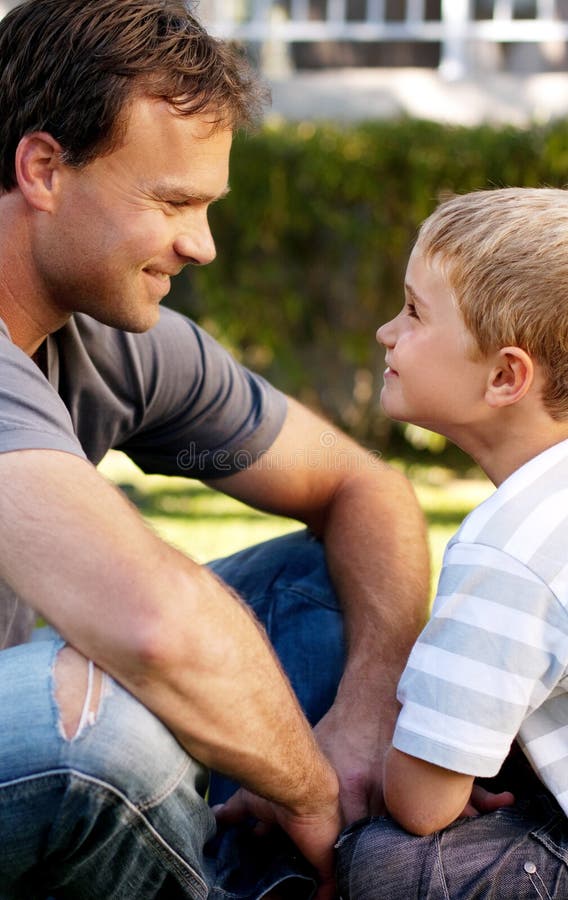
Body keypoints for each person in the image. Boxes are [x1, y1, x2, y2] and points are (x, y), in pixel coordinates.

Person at [0, 1, 430, 897]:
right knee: (97, 729)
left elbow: (365, 489)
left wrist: (362, 714)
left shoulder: (116, 341)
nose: (202, 245)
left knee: (324, 585)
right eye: (173, 202)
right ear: (43, 169)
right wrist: (313, 795)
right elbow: (158, 626)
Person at [337, 186, 568, 899]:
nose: (386, 331)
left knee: (393, 864)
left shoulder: (511, 545)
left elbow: (423, 802)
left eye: (412, 312)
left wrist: (421, 764)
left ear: (505, 375)